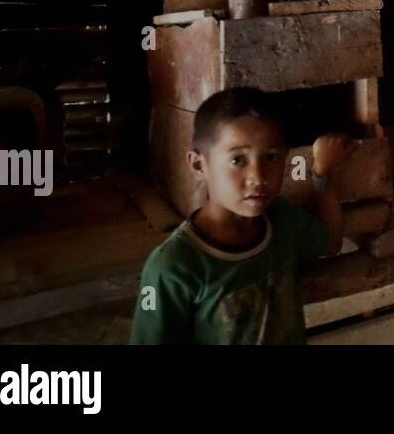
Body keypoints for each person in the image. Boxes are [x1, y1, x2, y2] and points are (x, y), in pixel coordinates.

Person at [130, 87, 353, 344]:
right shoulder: (173, 266)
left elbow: (332, 241)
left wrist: (321, 173)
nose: (258, 178)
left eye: (270, 157)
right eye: (237, 160)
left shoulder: (282, 221)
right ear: (198, 165)